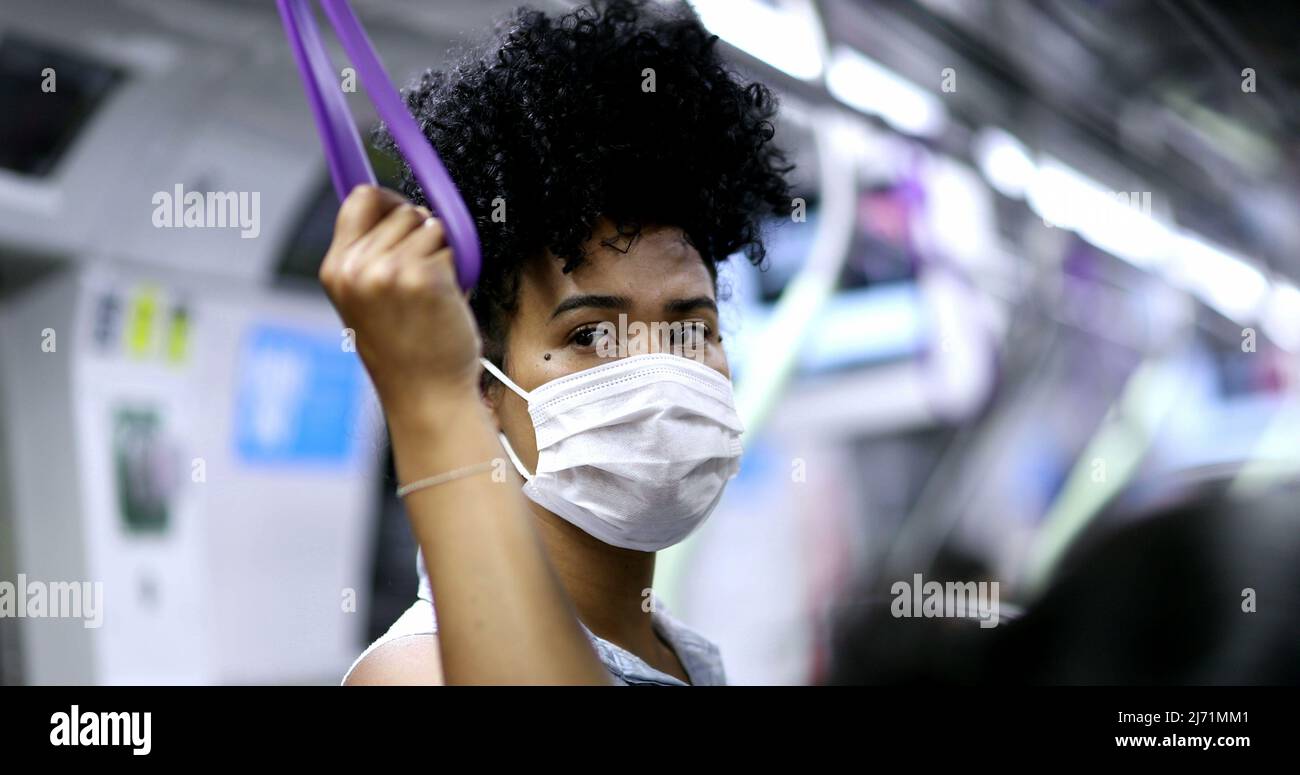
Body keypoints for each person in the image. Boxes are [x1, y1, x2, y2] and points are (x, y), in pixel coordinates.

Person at [328, 0, 791, 684]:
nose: (658, 371)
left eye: (691, 328)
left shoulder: (681, 656)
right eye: (592, 334)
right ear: (485, 385)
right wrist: (427, 395)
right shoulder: (421, 671)